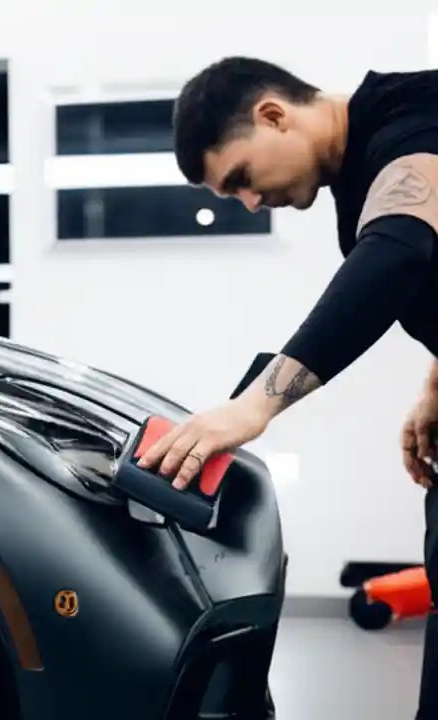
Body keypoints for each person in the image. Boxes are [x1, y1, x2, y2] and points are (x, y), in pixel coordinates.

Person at [139, 56, 438, 717]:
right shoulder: (359, 180)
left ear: (273, 113)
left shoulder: (412, 114)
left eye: (242, 179)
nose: (250, 202)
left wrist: (254, 407)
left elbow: (402, 252)